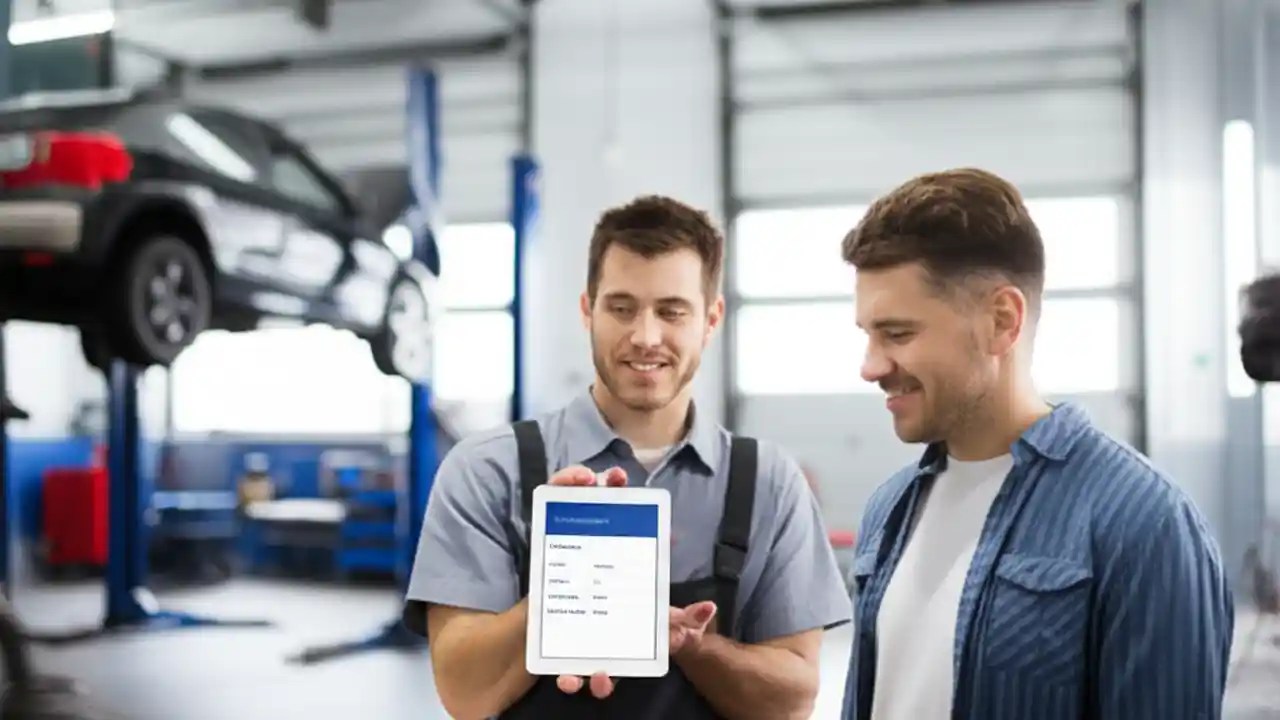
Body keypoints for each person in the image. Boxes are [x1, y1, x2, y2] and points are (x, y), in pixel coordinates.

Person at [402, 195, 852, 719]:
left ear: (710, 319)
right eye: (621, 308)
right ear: (587, 310)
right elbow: (464, 694)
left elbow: (791, 703)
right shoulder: (487, 472)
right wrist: (562, 585)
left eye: (672, 311)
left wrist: (688, 645)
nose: (645, 337)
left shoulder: (769, 484)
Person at [838, 168, 1235, 720]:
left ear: (1002, 321)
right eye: (868, 335)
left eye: (898, 334)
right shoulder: (890, 507)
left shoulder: (1146, 524)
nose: (871, 366)